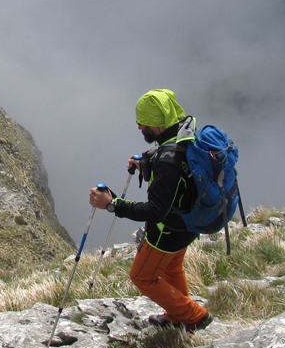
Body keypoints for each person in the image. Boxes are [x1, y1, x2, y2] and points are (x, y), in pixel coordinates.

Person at [88, 89, 212, 331]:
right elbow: (178, 179)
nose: (138, 127)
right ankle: (177, 315)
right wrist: (148, 164)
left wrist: (112, 205)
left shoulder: (168, 159)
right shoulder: (185, 137)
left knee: (142, 276)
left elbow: (155, 211)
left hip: (167, 233)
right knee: (172, 267)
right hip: (187, 224)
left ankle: (195, 315)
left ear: (156, 124)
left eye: (142, 122)